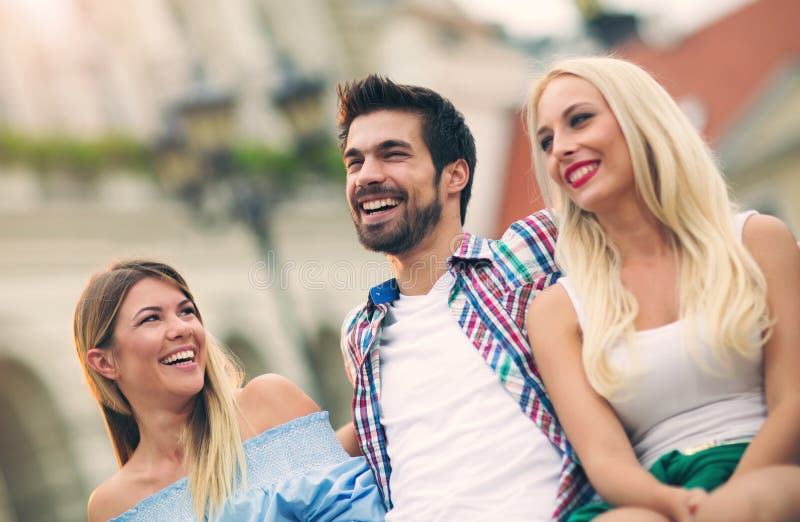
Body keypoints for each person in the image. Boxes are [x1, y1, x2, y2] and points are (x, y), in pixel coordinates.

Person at [526, 56, 800, 522]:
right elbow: (606, 459)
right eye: (547, 141)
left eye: (579, 120)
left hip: (765, 468)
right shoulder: (556, 310)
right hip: (652, 496)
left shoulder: (758, 241)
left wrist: (722, 499)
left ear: (640, 119)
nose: (561, 150)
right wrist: (676, 504)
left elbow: (793, 401)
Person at [335, 75, 593, 520]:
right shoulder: (360, 333)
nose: (368, 175)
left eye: (393, 154)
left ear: (455, 175)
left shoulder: (529, 253)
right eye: (354, 162)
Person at [74, 259, 386, 522]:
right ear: (104, 362)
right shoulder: (110, 505)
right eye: (151, 319)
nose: (183, 327)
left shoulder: (267, 403)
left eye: (186, 311)